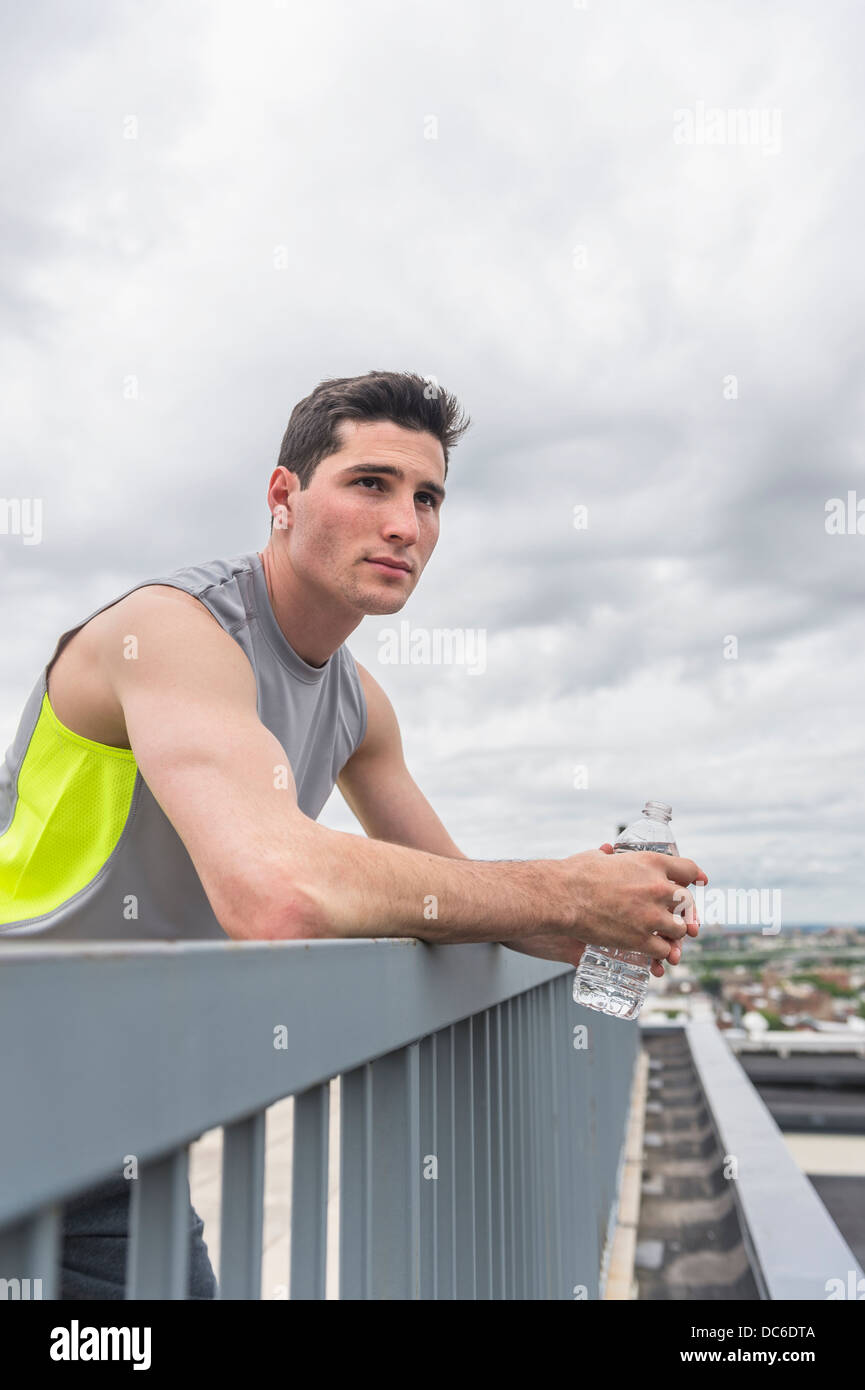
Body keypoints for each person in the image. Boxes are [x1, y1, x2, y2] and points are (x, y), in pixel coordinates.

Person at [0, 369, 705, 1298]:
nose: (405, 526)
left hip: (111, 1108)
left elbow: (450, 890)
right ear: (283, 496)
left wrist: (604, 916)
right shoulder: (168, 629)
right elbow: (275, 892)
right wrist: (557, 891)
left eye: (427, 498)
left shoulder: (357, 703)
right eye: (370, 484)